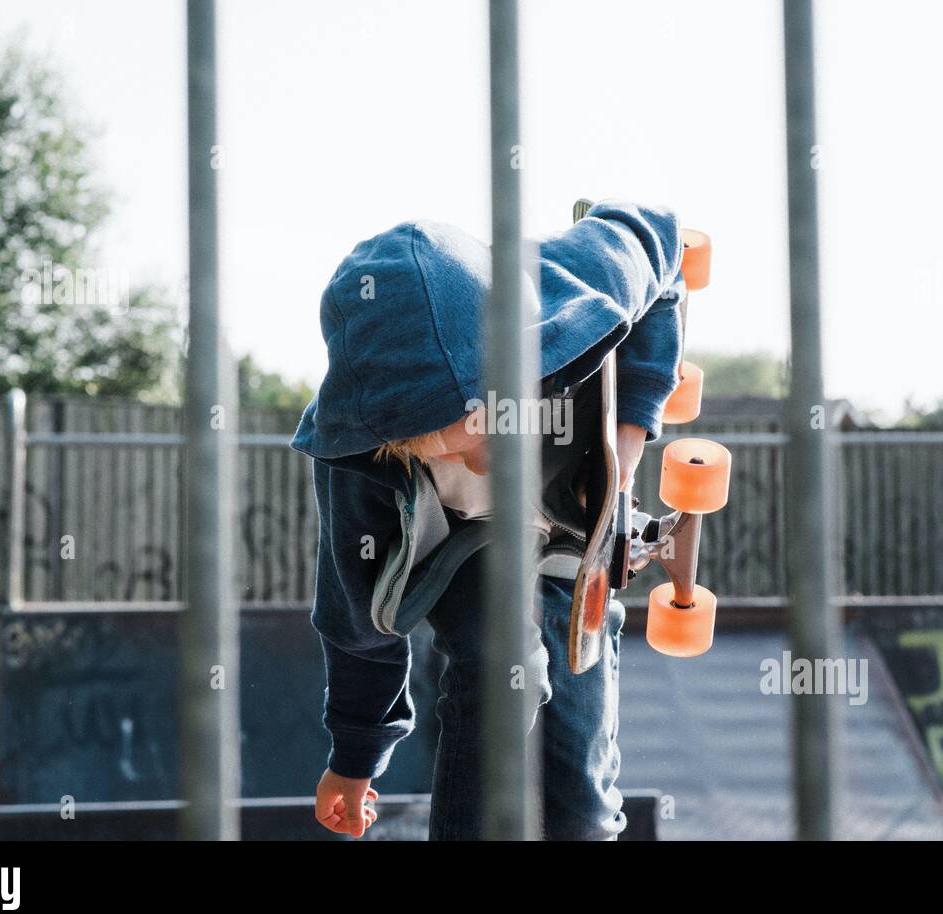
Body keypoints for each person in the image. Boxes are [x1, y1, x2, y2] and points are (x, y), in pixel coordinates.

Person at [291, 200, 685, 840]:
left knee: (580, 806)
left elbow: (660, 238)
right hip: (462, 554)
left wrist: (625, 447)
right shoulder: (354, 453)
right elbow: (355, 619)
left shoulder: (566, 282)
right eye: (453, 445)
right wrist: (355, 758)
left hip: (566, 545)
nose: (485, 457)